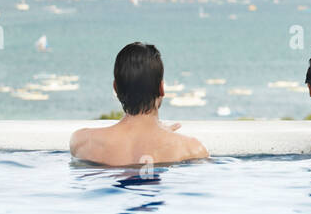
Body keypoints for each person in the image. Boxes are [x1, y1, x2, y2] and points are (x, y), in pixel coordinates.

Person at [70, 42, 208, 167]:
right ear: (161, 88)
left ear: (116, 89)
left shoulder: (81, 142)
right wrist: (163, 134)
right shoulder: (192, 149)